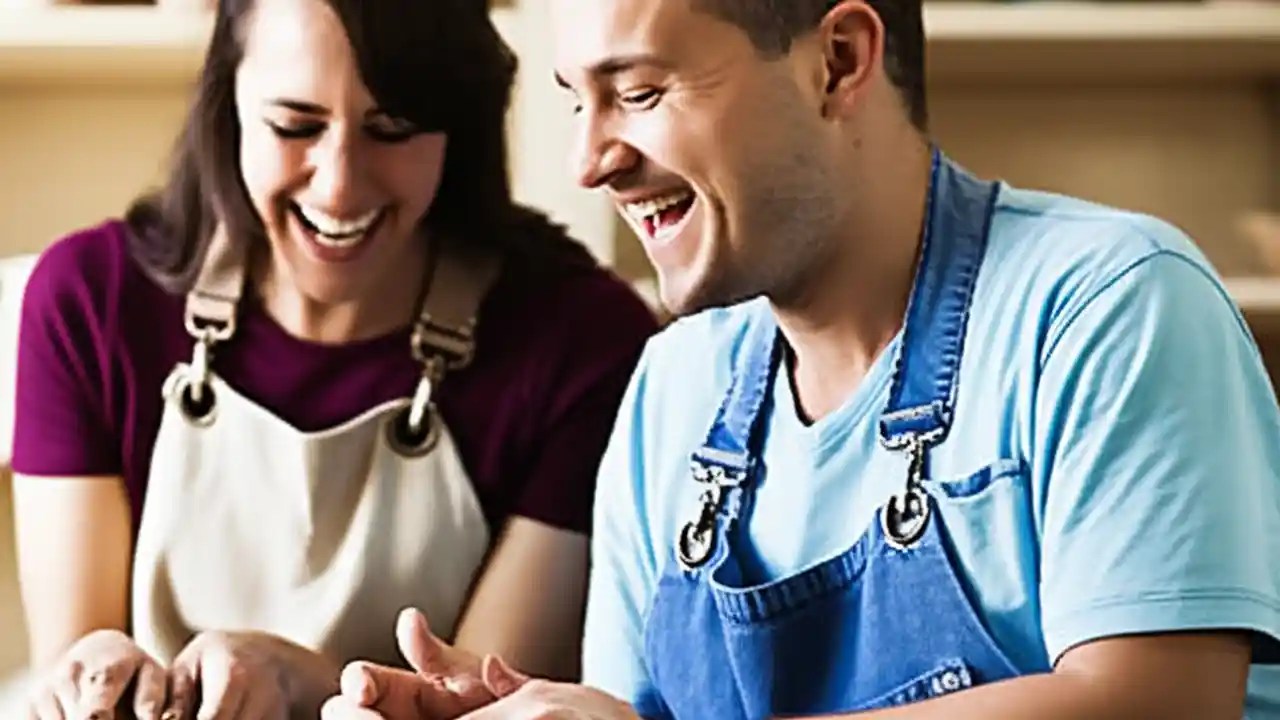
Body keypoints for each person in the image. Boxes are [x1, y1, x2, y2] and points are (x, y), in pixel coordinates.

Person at [321, 0, 1280, 718]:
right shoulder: (674, 388)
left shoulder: (1108, 304)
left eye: (641, 93)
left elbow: (1157, 704)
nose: (590, 160)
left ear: (838, 60)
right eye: (578, 102)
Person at [7, 0, 658, 716]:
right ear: (228, 105)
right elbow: (75, 653)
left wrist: (301, 681)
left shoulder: (583, 340)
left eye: (394, 129)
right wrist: (95, 674)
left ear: (458, 120)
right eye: (295, 126)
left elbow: (487, 706)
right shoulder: (89, 302)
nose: (339, 184)